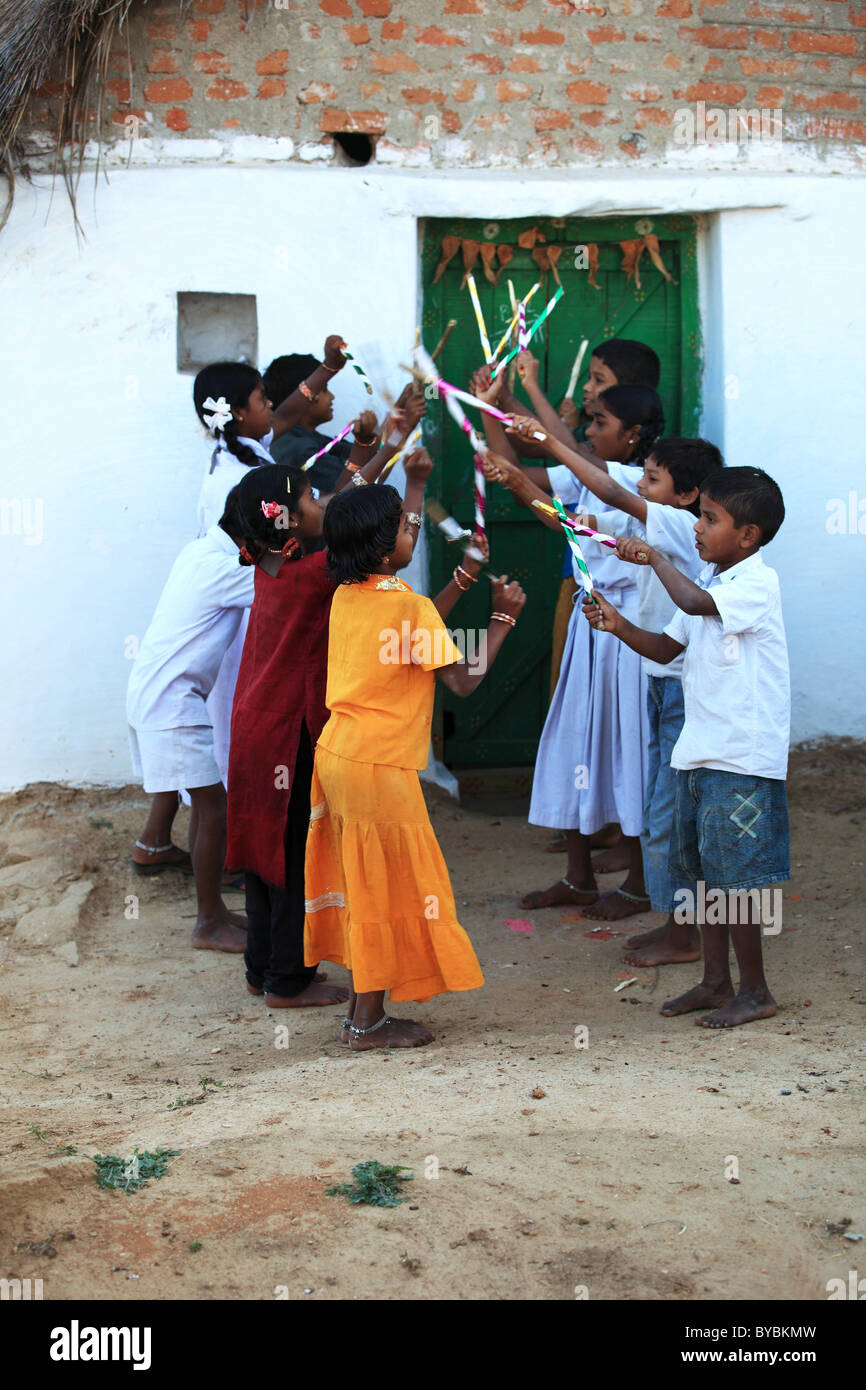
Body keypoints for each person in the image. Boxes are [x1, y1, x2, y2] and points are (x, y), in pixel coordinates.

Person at [304, 470, 526, 1051]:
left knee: (364, 882)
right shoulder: (409, 609)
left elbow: (416, 623)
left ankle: (362, 1011)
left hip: (339, 756)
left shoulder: (349, 595)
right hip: (379, 768)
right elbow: (461, 680)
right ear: (386, 549)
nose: (414, 529)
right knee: (391, 888)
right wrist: (502, 621)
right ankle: (366, 1023)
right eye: (407, 526)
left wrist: (464, 577)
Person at [225, 405, 424, 1008]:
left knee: (263, 856)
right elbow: (370, 532)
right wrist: (408, 478)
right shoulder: (317, 574)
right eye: (309, 496)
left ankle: (264, 970)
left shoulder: (271, 563)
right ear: (288, 519)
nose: (321, 502)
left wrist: (381, 443)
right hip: (292, 732)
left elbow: (340, 503)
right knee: (291, 855)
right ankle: (287, 983)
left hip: (256, 730)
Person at [582, 466, 789, 1029]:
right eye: (700, 516)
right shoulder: (712, 582)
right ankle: (716, 981)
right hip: (699, 752)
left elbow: (695, 605)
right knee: (701, 874)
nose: (698, 527)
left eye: (710, 519)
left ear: (748, 536)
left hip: (741, 760)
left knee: (738, 881)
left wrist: (655, 558)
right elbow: (666, 648)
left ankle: (756, 990)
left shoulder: (752, 585)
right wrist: (618, 625)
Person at [508, 430, 724, 957]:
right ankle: (678, 928)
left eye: (652, 478)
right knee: (659, 811)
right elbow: (578, 521)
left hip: (673, 688)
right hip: (655, 676)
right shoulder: (660, 523)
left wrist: (548, 448)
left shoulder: (676, 525)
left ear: (687, 494)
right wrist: (517, 482)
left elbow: (609, 492)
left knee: (670, 816)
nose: (641, 486)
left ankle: (685, 933)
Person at [483, 383, 666, 920]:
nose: (588, 431)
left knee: (626, 750)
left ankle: (638, 881)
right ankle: (580, 876)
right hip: (593, 630)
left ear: (632, 435)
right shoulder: (593, 475)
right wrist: (513, 469)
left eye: (599, 422)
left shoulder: (634, 483)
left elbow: (588, 513)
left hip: (625, 636)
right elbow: (557, 507)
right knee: (577, 741)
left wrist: (521, 478)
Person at [192, 346, 381, 786]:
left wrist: (330, 364)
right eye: (262, 400)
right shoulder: (238, 477)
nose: (274, 406)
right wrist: (377, 450)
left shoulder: (247, 452)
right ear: (239, 412)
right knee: (244, 730)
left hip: (252, 603)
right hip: (245, 609)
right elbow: (329, 511)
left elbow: (290, 415)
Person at [127, 483, 254, 951]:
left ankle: (214, 914)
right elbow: (285, 589)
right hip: (172, 703)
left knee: (207, 802)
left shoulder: (201, 551)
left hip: (163, 697)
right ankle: (207, 923)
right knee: (213, 805)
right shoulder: (223, 570)